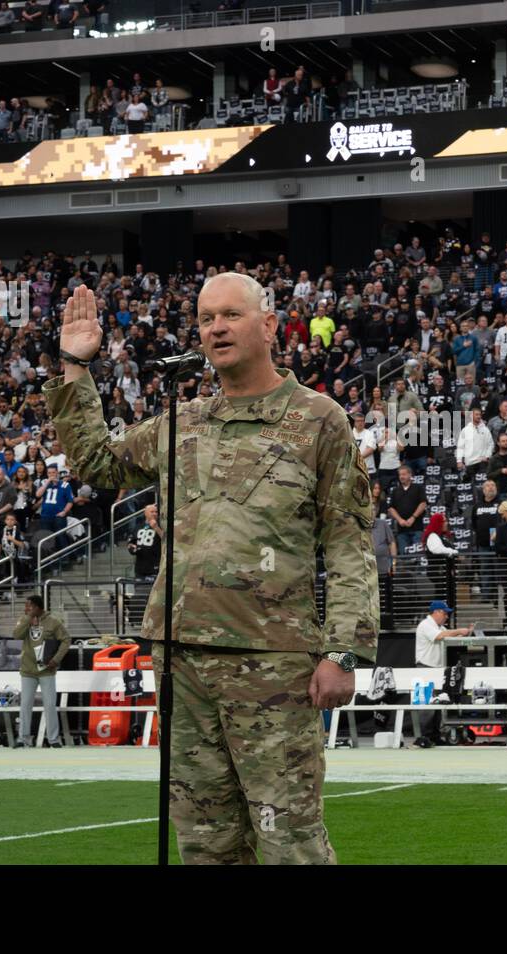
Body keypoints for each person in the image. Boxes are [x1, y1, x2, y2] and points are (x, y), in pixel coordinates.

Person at [43, 277, 378, 865]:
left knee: (289, 838)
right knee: (204, 841)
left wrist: (344, 651)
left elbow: (349, 543)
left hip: (272, 662)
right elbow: (96, 461)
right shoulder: (183, 419)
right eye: (204, 319)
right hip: (181, 658)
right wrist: (74, 365)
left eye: (230, 315)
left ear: (270, 326)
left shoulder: (318, 420)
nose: (216, 328)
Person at [11, 594, 72, 748]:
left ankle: (53, 739)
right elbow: (16, 635)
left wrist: (56, 659)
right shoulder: (24, 620)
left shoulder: (53, 622)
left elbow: (66, 640)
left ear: (38, 607)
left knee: (50, 705)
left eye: (29, 606)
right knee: (25, 705)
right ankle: (23, 739)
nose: (26, 609)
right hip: (28, 670)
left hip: (46, 670)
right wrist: (27, 619)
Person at [412, 599, 470, 748]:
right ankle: (423, 737)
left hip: (436, 670)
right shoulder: (425, 625)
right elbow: (439, 636)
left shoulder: (439, 626)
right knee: (425, 705)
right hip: (424, 668)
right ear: (436, 612)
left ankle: (435, 736)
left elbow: (448, 637)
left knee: (437, 705)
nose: (446, 616)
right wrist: (459, 631)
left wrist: (464, 634)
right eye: (445, 613)